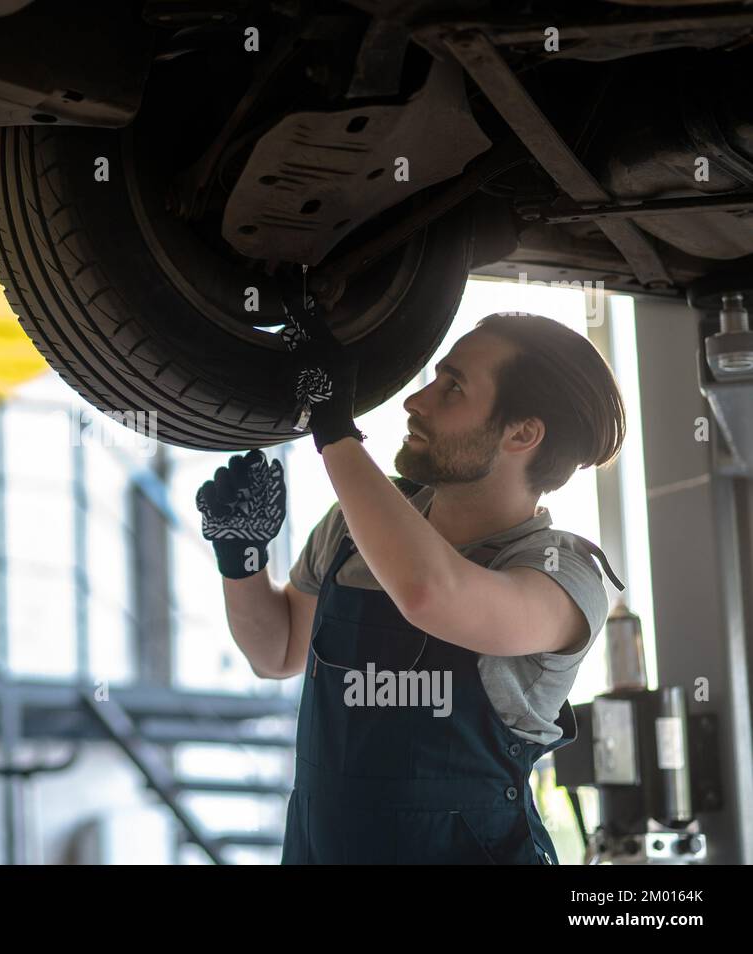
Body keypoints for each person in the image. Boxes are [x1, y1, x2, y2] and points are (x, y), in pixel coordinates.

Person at [197, 305, 626, 864]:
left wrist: (335, 429)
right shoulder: (361, 524)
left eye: (452, 389)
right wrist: (241, 559)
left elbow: (431, 594)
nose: (415, 401)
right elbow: (276, 652)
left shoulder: (562, 575)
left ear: (521, 433)